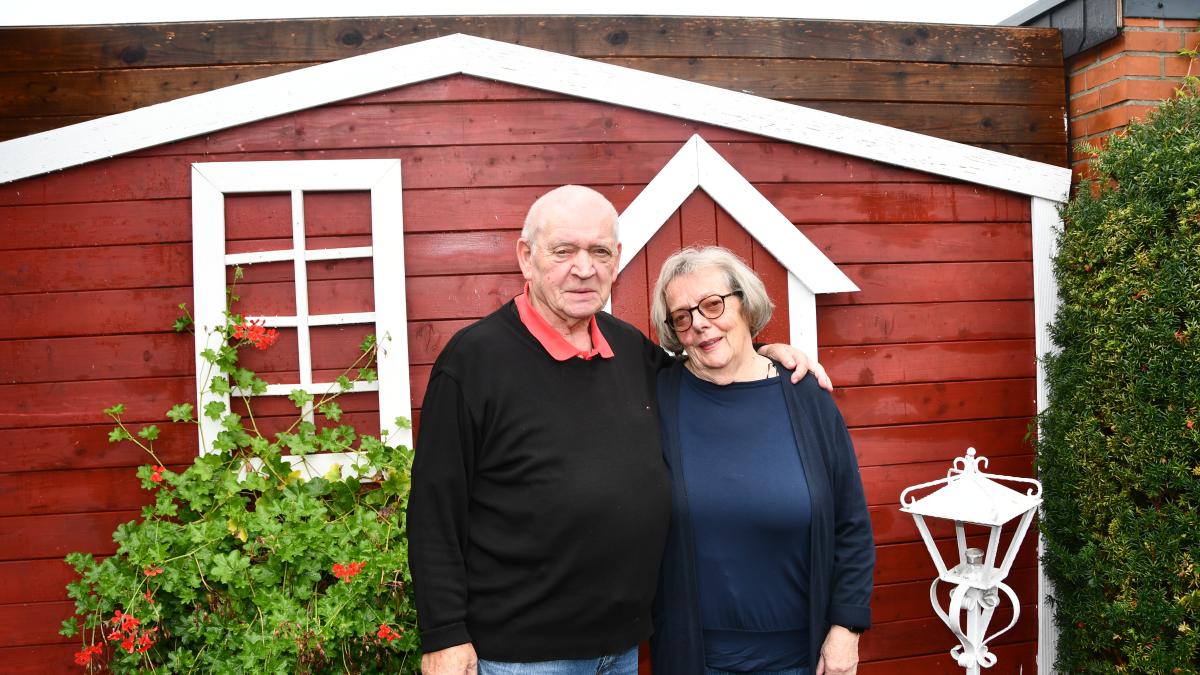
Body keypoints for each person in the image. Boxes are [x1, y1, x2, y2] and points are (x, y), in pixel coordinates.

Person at [407, 186, 828, 675]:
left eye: (600, 252)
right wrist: (444, 635)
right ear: (526, 257)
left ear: (617, 259)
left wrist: (766, 352)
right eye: (564, 251)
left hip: (623, 648)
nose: (584, 268)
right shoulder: (473, 361)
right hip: (523, 656)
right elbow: (435, 511)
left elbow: (707, 366)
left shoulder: (629, 350)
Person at [649, 246, 875, 675]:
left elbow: (851, 524)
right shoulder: (659, 397)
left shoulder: (806, 397)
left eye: (712, 304)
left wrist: (847, 628)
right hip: (696, 657)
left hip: (803, 656)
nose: (699, 323)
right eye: (682, 316)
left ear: (745, 304)